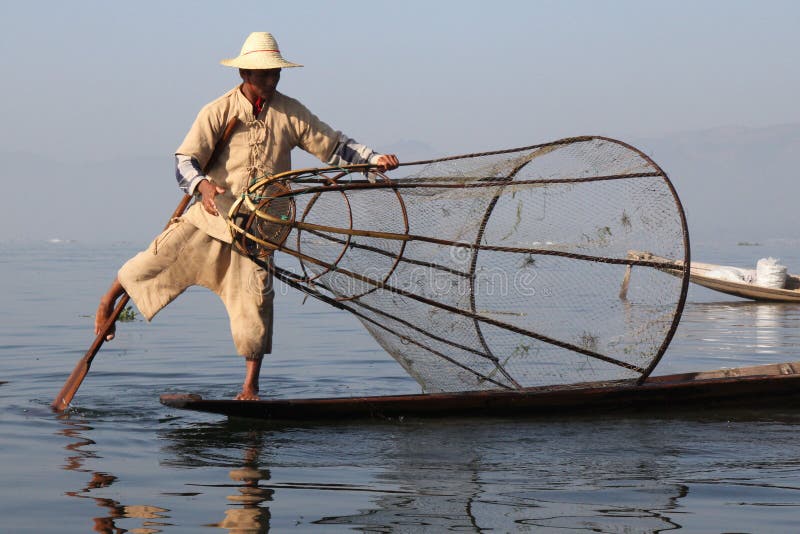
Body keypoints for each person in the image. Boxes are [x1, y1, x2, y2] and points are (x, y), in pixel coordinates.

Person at [94, 32, 399, 400]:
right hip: (209, 220)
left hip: (255, 232)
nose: (270, 81)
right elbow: (184, 162)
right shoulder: (218, 110)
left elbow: (332, 145)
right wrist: (204, 188)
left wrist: (372, 161)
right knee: (151, 263)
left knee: (255, 307)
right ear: (244, 73)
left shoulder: (290, 112)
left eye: (275, 75)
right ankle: (106, 303)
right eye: (262, 75)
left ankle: (249, 388)